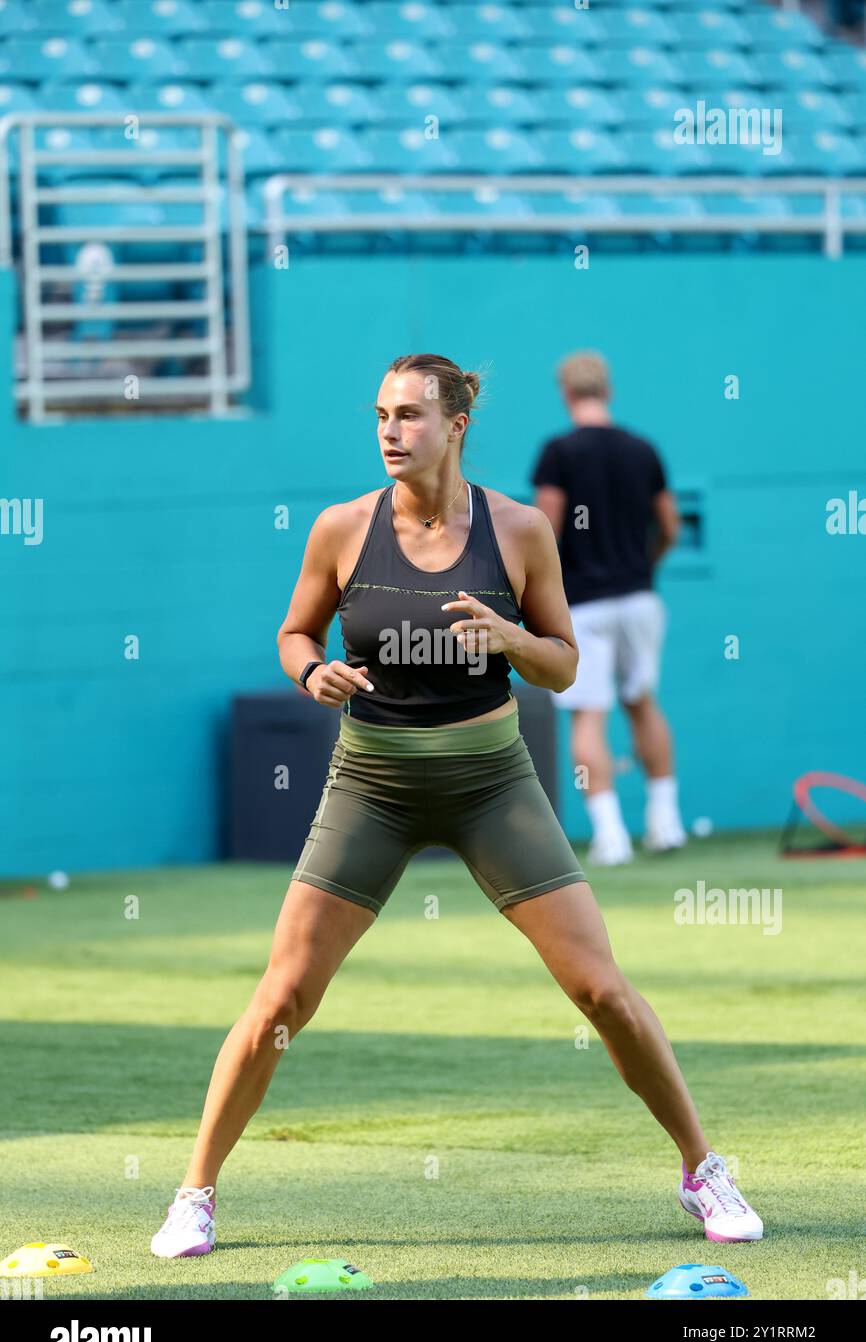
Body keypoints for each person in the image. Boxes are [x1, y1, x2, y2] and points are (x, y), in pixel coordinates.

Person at [150, 353, 762, 1258]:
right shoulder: (340, 528)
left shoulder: (519, 531)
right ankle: (194, 1193)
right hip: (371, 786)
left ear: (456, 424)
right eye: (380, 416)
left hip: (492, 786)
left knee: (600, 987)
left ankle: (704, 1171)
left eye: (409, 415)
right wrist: (311, 669)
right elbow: (293, 632)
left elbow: (564, 662)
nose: (390, 432)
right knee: (284, 993)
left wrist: (512, 636)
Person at [532, 351, 687, 867]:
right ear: (609, 390)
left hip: (585, 606)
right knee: (643, 702)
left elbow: (544, 533)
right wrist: (646, 565)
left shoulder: (558, 452)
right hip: (640, 599)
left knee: (588, 718)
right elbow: (669, 526)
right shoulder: (643, 449)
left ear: (564, 393)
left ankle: (611, 836)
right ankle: (666, 825)